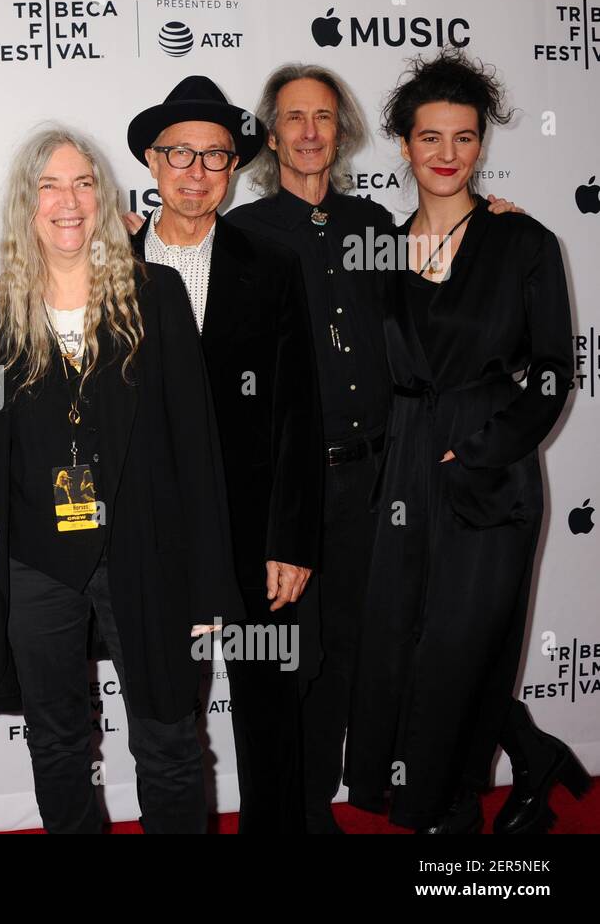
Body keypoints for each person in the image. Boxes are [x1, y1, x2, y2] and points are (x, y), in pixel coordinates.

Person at [224, 64, 524, 833]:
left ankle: (318, 798)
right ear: (271, 133)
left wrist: (491, 228)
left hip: (376, 480)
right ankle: (281, 809)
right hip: (287, 489)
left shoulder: (374, 232)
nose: (310, 132)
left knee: (348, 656)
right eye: (294, 118)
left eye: (324, 117)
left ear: (343, 131)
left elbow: (441, 301)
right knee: (286, 657)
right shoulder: (244, 237)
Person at [0, 126, 243, 833]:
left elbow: (197, 446)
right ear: (25, 207)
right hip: (37, 562)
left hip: (148, 556)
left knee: (169, 736)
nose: (69, 201)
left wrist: (208, 583)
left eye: (84, 183)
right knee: (56, 741)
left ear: (105, 198)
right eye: (50, 186)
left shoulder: (158, 298)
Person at [347, 49, 587, 833]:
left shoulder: (524, 243)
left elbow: (553, 373)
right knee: (402, 646)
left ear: (482, 144)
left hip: (491, 476)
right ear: (404, 145)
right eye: (429, 138)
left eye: (464, 138)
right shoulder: (377, 247)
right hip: (401, 474)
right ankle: (522, 759)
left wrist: (478, 445)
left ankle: (452, 820)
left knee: (460, 651)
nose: (447, 155)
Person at [126, 76, 324, 833]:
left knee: (269, 710)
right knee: (166, 720)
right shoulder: (109, 265)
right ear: (152, 160)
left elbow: (296, 414)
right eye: (180, 153)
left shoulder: (270, 265)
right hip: (153, 532)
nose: (196, 172)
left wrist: (290, 541)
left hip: (252, 540)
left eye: (216, 156)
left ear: (235, 168)